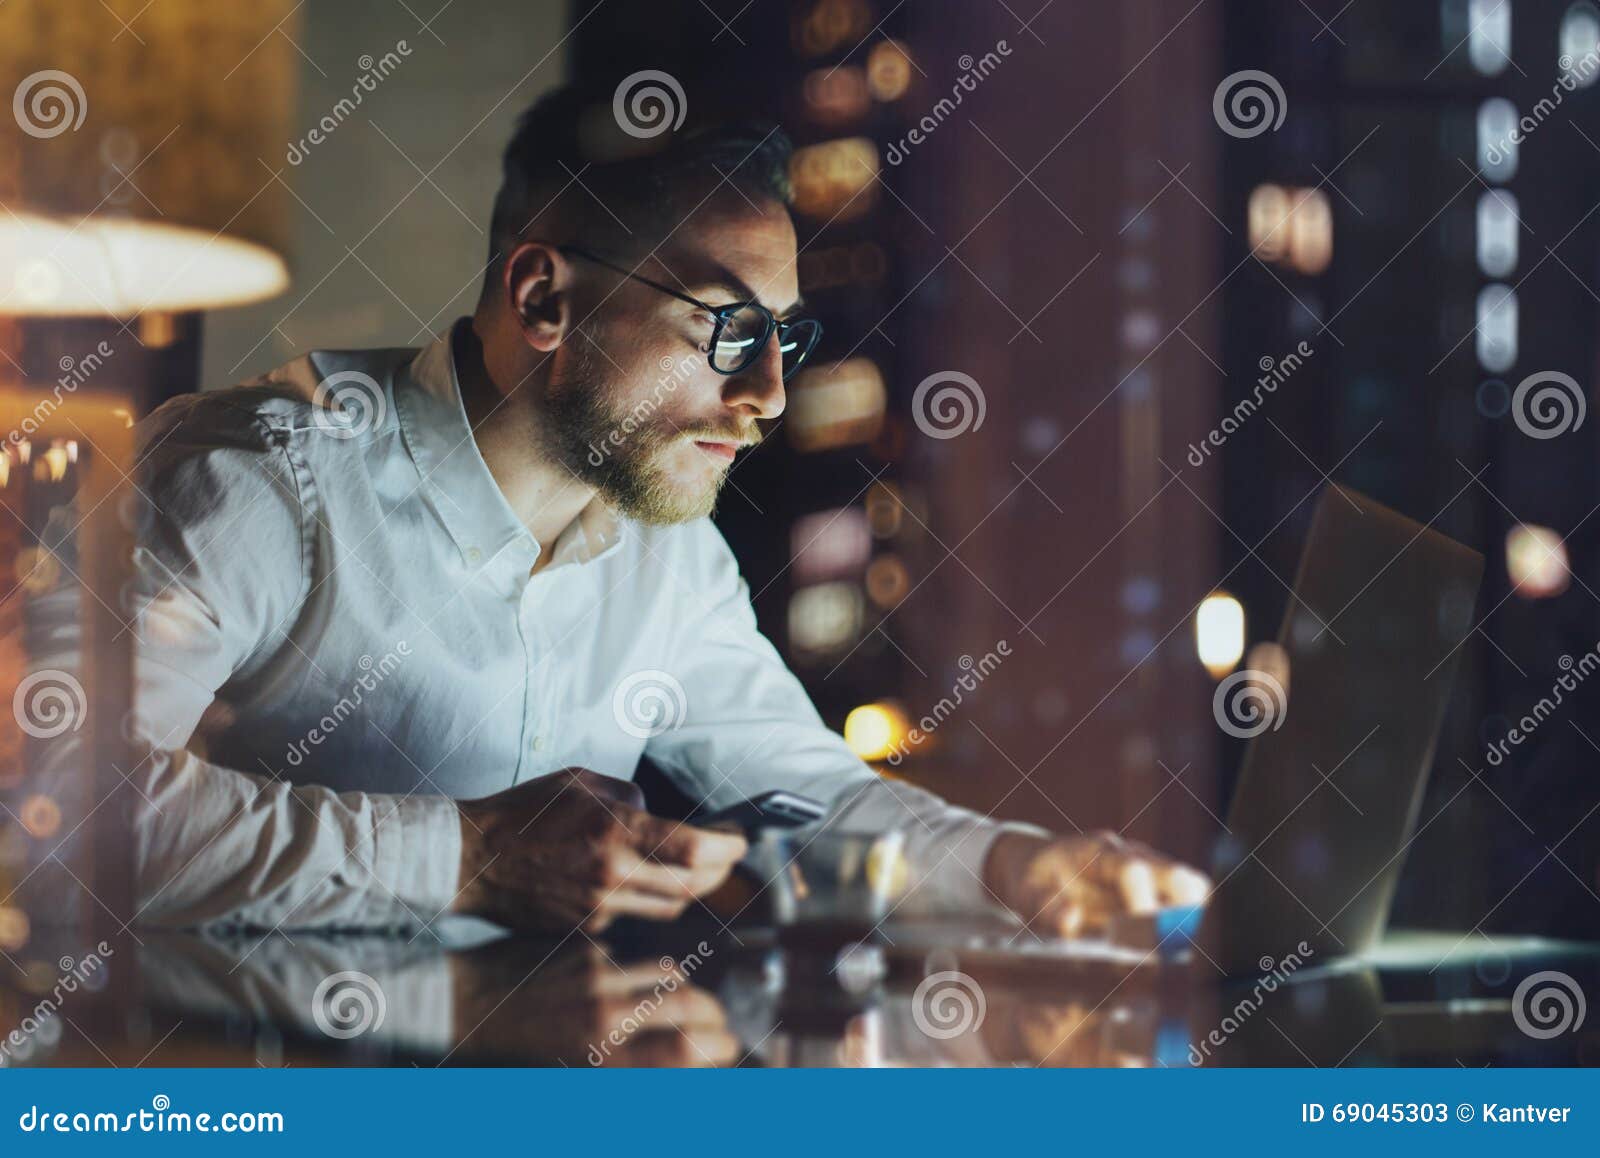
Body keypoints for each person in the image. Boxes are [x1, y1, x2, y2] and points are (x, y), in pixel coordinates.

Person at [32, 85, 1207, 934]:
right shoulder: (251, 478)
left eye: (785, 339)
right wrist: (469, 858)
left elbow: (811, 792)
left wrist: (1029, 875)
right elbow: (48, 809)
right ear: (544, 296)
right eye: (728, 329)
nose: (766, 400)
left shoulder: (666, 550)